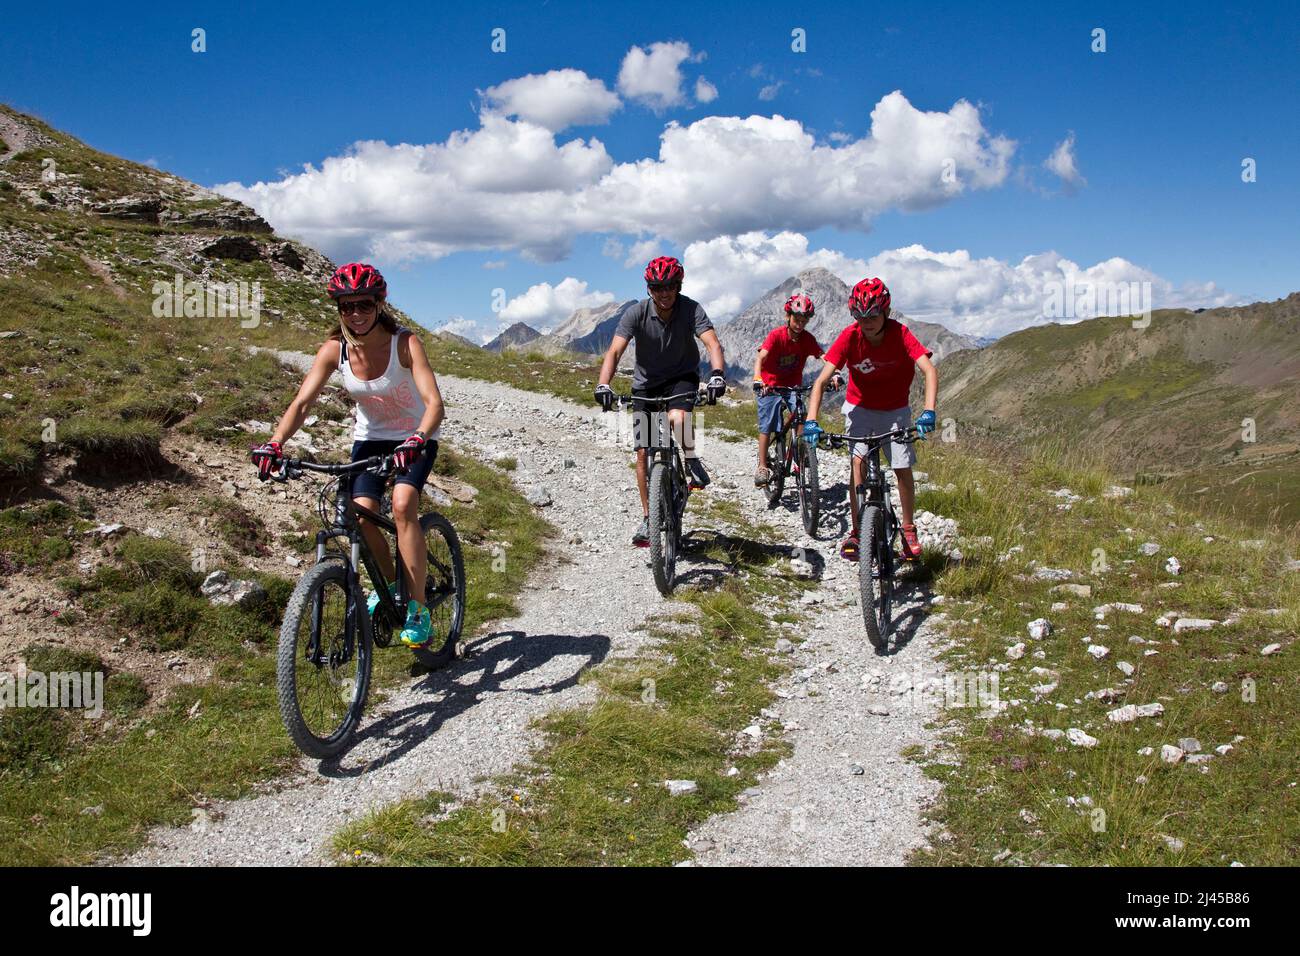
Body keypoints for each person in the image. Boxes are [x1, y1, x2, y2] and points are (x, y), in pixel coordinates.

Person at [251, 263, 447, 646]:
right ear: (338, 309)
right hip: (371, 439)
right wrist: (275, 443)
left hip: (415, 436)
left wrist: (418, 438)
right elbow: (303, 403)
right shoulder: (334, 351)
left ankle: (419, 609)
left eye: (363, 305)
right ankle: (391, 586)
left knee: (404, 503)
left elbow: (434, 404)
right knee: (360, 513)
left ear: (379, 304)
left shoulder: (405, 344)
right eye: (346, 307)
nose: (355, 314)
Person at [594, 255, 727, 547]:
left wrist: (717, 375)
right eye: (657, 287)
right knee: (643, 453)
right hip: (646, 385)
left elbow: (712, 343)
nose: (663, 293)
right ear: (649, 289)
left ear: (678, 286)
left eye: (669, 286)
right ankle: (648, 517)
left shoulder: (691, 309)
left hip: (682, 378)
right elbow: (615, 351)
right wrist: (603, 383)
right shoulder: (636, 313)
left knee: (677, 418)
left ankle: (691, 460)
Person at [802, 278, 938, 561]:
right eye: (860, 316)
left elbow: (928, 370)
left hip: (896, 410)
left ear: (885, 312)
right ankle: (856, 531)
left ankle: (909, 529)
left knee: (901, 466)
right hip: (860, 408)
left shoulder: (901, 334)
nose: (867, 322)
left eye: (873, 315)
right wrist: (812, 420)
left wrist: (928, 411)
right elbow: (820, 382)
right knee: (857, 465)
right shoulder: (850, 336)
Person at [751, 292, 841, 486]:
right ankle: (762, 466)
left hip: (793, 385)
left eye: (803, 321)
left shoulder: (807, 338)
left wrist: (834, 372)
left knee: (802, 414)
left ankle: (802, 452)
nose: (799, 324)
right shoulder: (776, 336)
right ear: (788, 317)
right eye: (796, 320)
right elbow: (761, 357)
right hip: (770, 385)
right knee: (767, 423)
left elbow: (823, 356)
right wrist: (758, 378)